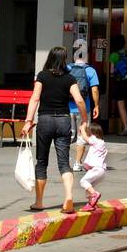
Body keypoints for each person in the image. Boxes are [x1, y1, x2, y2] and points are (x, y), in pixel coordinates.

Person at [22, 47, 88, 214]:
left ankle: (38, 202)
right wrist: (84, 120)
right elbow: (79, 100)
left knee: (42, 162)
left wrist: (28, 121)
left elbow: (35, 98)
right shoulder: (70, 78)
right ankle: (68, 196)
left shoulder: (42, 76)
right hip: (63, 121)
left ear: (50, 58)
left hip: (45, 120)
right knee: (64, 162)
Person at [67, 56, 99, 144]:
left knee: (67, 137)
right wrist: (96, 106)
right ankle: (78, 158)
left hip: (68, 106)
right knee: (82, 137)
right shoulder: (90, 70)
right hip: (84, 108)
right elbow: (94, 90)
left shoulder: (67, 68)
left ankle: (65, 156)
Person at [77, 122, 108, 211]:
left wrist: (82, 128)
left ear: (92, 133)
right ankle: (91, 204)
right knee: (88, 188)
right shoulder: (101, 142)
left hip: (96, 169)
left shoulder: (95, 140)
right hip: (101, 171)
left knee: (83, 181)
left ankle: (95, 194)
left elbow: (86, 138)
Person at [109, 37, 127, 135]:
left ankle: (125, 128)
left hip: (119, 83)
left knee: (121, 105)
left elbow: (111, 71)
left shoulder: (114, 55)